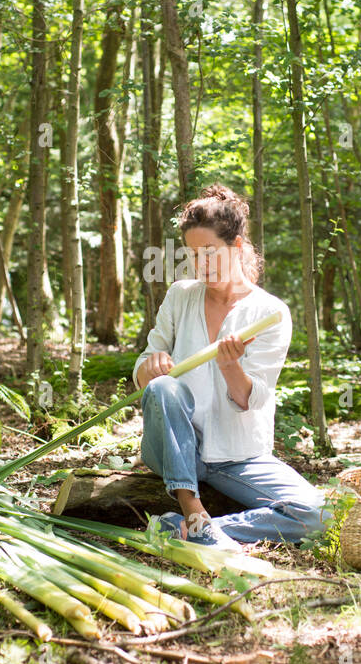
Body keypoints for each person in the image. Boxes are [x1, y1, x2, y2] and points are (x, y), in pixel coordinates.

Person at [132, 183, 330, 550]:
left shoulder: (269, 314)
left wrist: (230, 368)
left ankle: (191, 530)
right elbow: (145, 369)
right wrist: (151, 366)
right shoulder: (180, 296)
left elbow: (249, 398)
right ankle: (191, 508)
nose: (201, 264)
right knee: (163, 386)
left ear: (236, 247)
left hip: (237, 457)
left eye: (210, 253)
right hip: (174, 447)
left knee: (320, 515)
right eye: (193, 255)